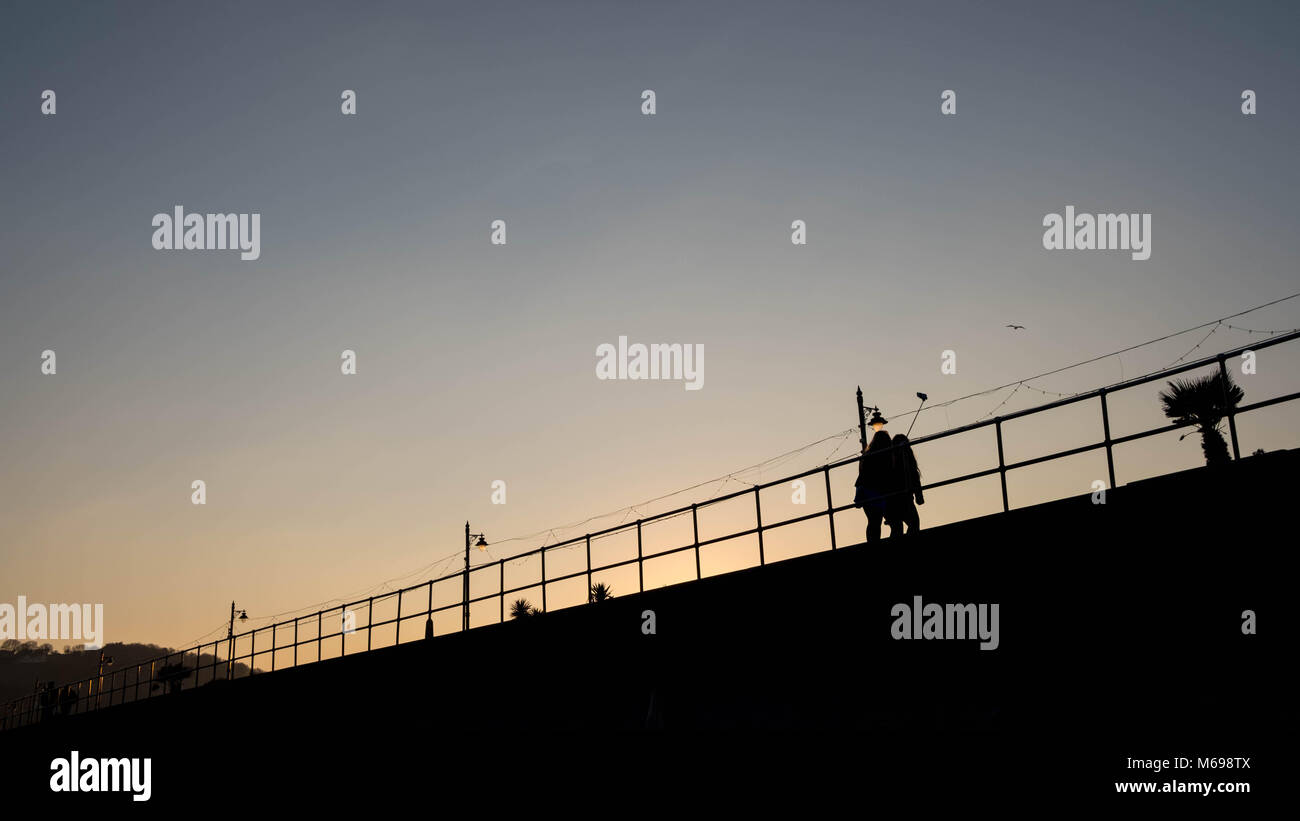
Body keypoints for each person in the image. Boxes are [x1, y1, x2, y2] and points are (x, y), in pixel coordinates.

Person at [854, 430, 895, 542]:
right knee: (891, 522)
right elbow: (885, 475)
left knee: (873, 521)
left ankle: (872, 543)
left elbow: (862, 474)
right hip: (876, 491)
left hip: (864, 490)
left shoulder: (866, 455)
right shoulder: (885, 455)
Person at [888, 434, 924, 536]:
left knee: (897, 528)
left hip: (894, 500)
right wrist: (919, 496)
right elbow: (915, 478)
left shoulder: (891, 460)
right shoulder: (907, 459)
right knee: (914, 524)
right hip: (904, 499)